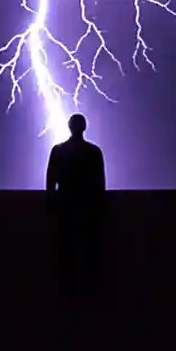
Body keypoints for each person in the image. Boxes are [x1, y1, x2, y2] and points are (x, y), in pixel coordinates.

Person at [46, 114, 106, 295]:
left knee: (66, 251)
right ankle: (88, 292)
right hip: (87, 208)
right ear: (84, 127)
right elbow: (100, 183)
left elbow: (50, 180)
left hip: (65, 206)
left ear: (69, 127)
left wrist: (51, 202)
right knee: (88, 252)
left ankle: (65, 291)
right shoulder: (94, 152)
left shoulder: (58, 150)